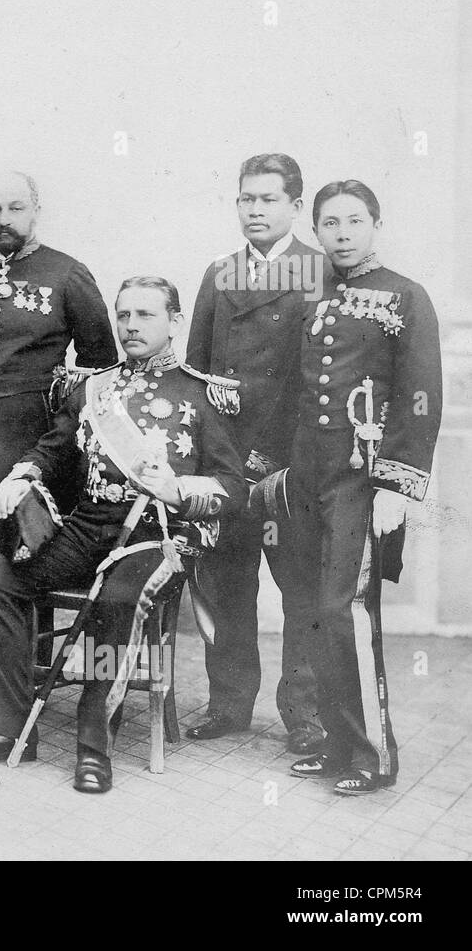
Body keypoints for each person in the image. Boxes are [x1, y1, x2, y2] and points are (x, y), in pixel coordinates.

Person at [0, 276, 245, 793]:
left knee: (119, 596)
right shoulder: (92, 388)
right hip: (86, 528)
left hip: (156, 535)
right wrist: (22, 476)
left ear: (175, 322)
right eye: (123, 315)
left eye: (145, 315)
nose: (130, 325)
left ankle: (93, 746)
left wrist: (176, 488)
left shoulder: (201, 394)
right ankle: (4, 729)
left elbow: (232, 487)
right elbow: (52, 449)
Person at [259, 181, 442, 796]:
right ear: (316, 228)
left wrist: (397, 484)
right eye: (330, 223)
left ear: (376, 223)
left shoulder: (406, 297)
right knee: (314, 611)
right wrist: (277, 465)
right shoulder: (311, 297)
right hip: (307, 476)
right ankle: (339, 746)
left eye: (354, 221)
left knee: (347, 610)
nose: (341, 233)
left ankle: (373, 755)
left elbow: (420, 397)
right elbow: (292, 387)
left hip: (361, 480)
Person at [185, 153, 323, 752]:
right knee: (225, 584)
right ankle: (229, 704)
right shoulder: (220, 274)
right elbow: (196, 374)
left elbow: (320, 385)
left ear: (295, 205)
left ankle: (305, 714)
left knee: (301, 591)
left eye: (269, 199)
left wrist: (278, 459)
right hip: (225, 462)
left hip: (289, 468)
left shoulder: (318, 273)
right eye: (247, 200)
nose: (256, 210)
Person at [0, 171, 116, 529]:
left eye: (16, 208)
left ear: (36, 210)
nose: (4, 220)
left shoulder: (67, 273)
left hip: (34, 433)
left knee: (26, 535)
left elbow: (101, 369)